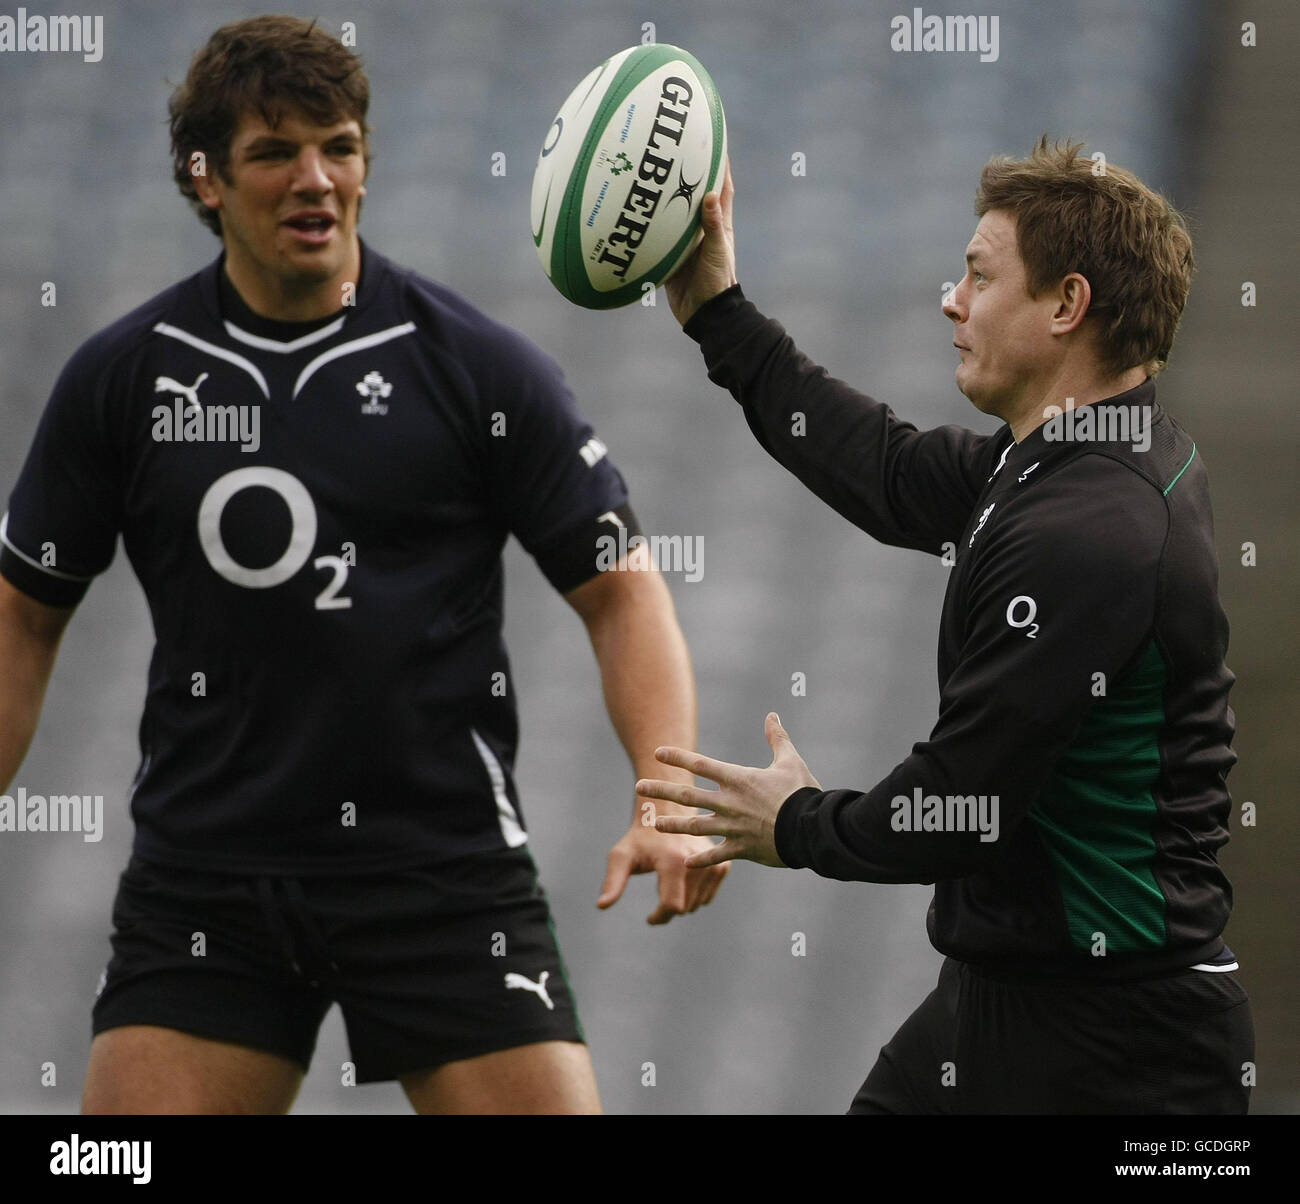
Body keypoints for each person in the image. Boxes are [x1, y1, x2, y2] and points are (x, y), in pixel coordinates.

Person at [0, 15, 726, 1115]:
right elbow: (24, 616)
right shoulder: (124, 381)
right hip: (209, 877)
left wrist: (667, 790)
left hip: (438, 871)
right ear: (205, 180)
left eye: (339, 147)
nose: (315, 179)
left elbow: (620, 586)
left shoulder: (476, 368)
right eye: (273, 153)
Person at [639, 139, 1254, 1113]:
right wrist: (720, 315)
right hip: (1002, 999)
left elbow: (963, 802)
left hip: (1120, 1048)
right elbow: (887, 471)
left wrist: (794, 823)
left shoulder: (1089, 534)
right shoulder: (1079, 455)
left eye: (977, 274)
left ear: (1066, 305)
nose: (949, 299)